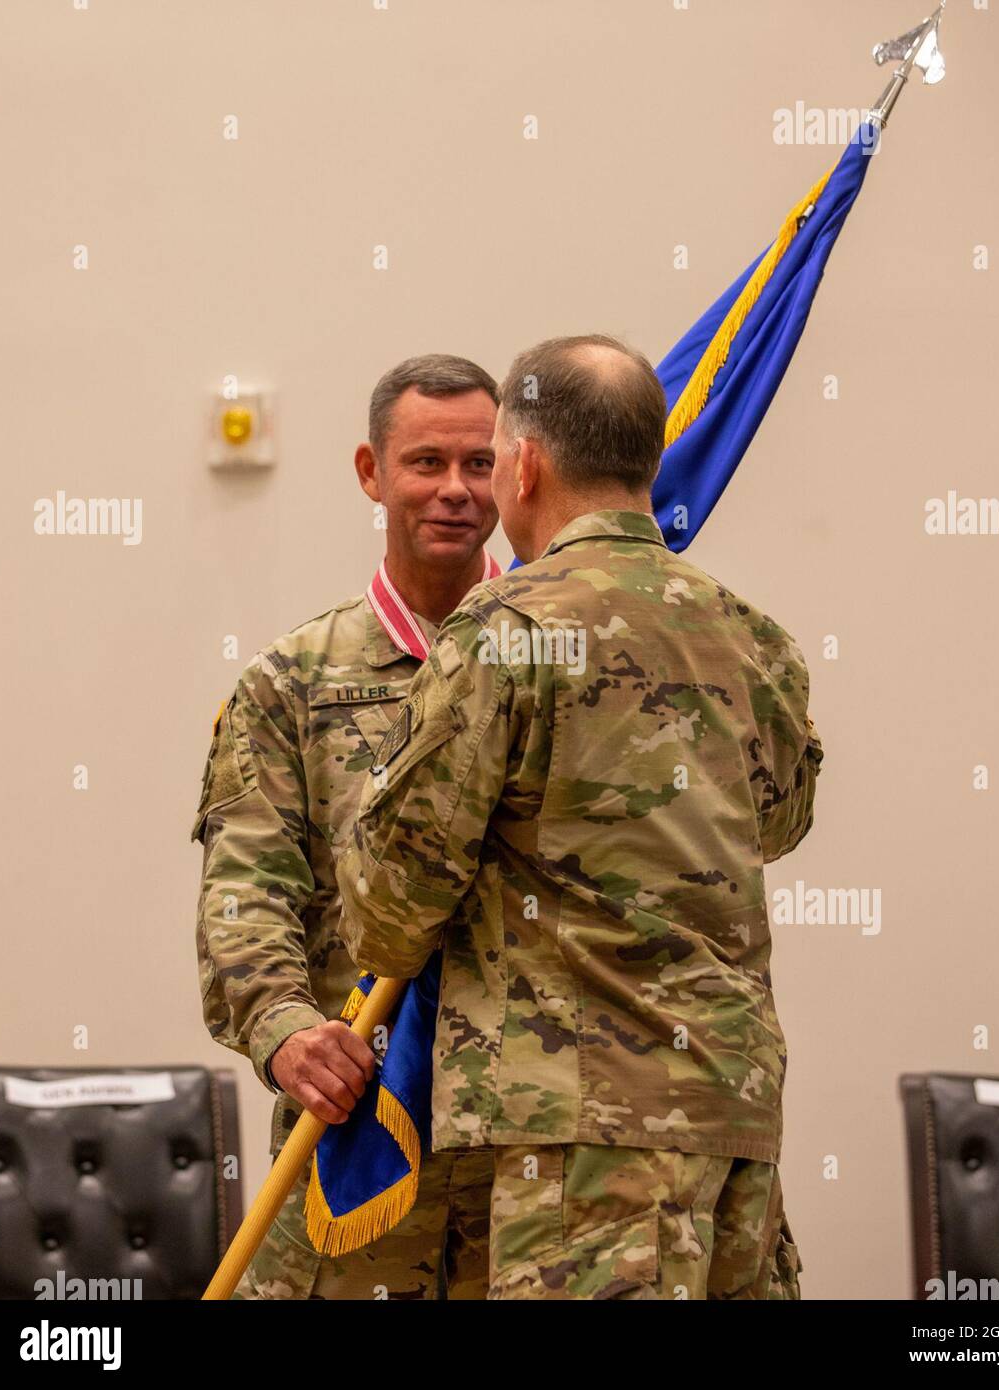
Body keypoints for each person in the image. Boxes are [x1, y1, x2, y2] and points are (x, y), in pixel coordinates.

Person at [337, 334, 823, 1299]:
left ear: (525, 464)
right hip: (732, 1116)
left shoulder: (506, 629)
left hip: (581, 1133)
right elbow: (779, 826)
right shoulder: (752, 635)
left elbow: (393, 908)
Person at [192, 354, 502, 1299]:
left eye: (481, 464)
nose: (454, 489)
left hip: (522, 1160)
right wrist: (285, 1031)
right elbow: (246, 894)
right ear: (371, 472)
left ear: (518, 472)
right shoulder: (291, 684)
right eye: (426, 463)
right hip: (352, 1132)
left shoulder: (558, 669)